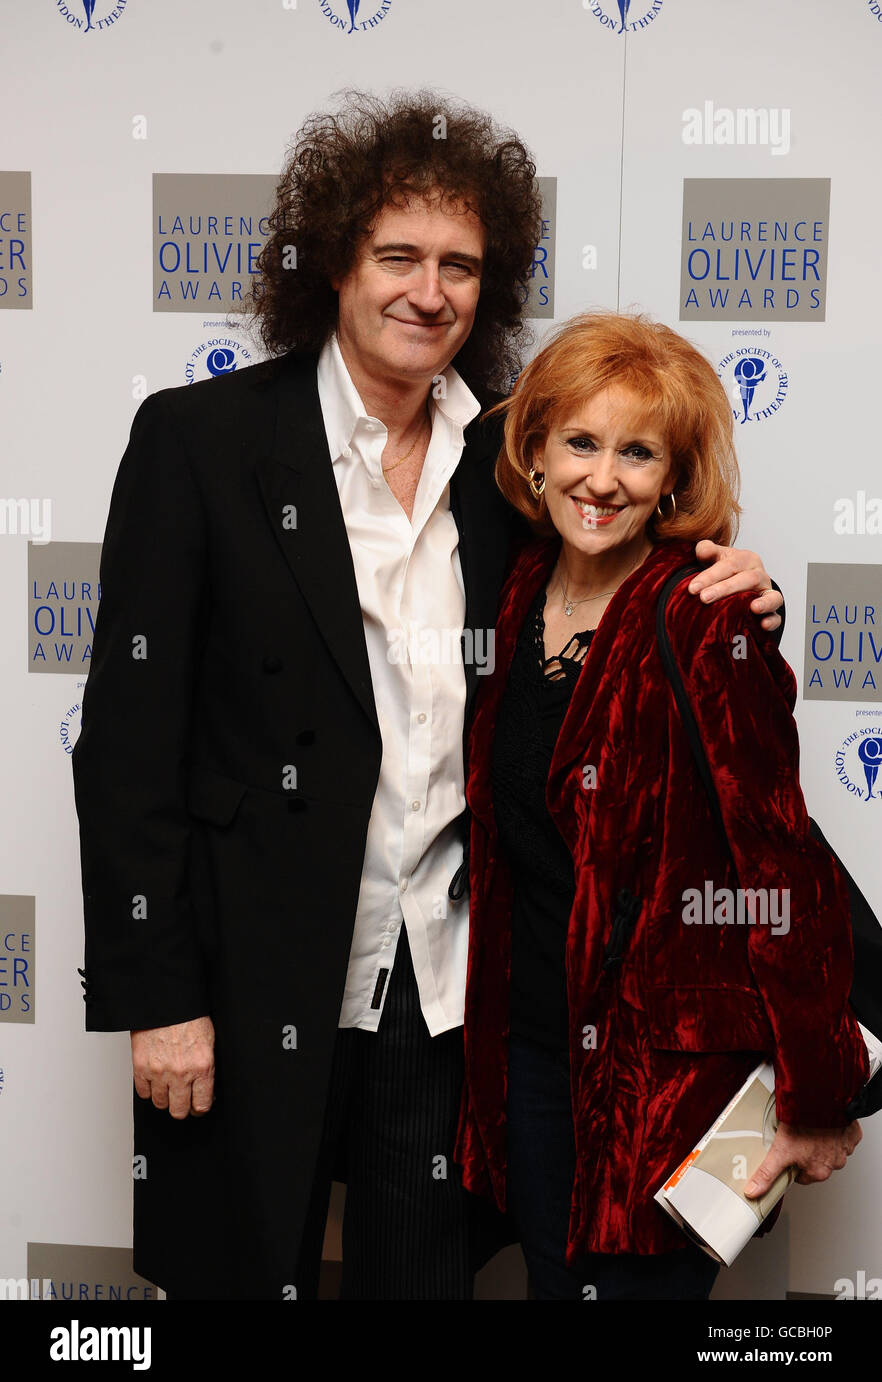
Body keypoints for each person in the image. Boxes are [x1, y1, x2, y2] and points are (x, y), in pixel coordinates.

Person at [71, 92, 784, 1301]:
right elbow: (130, 745)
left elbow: (620, 575)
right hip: (252, 983)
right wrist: (160, 1000)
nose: (428, 290)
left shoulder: (510, 460)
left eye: (460, 264)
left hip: (446, 993)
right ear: (336, 263)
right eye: (398, 255)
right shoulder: (201, 441)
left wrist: (735, 583)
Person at [455, 311, 867, 1301]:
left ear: (673, 479)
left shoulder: (706, 614)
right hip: (528, 1066)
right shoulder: (511, 595)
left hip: (660, 1091)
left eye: (637, 452)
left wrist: (817, 1092)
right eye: (581, 443)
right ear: (537, 451)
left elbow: (781, 865)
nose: (603, 478)